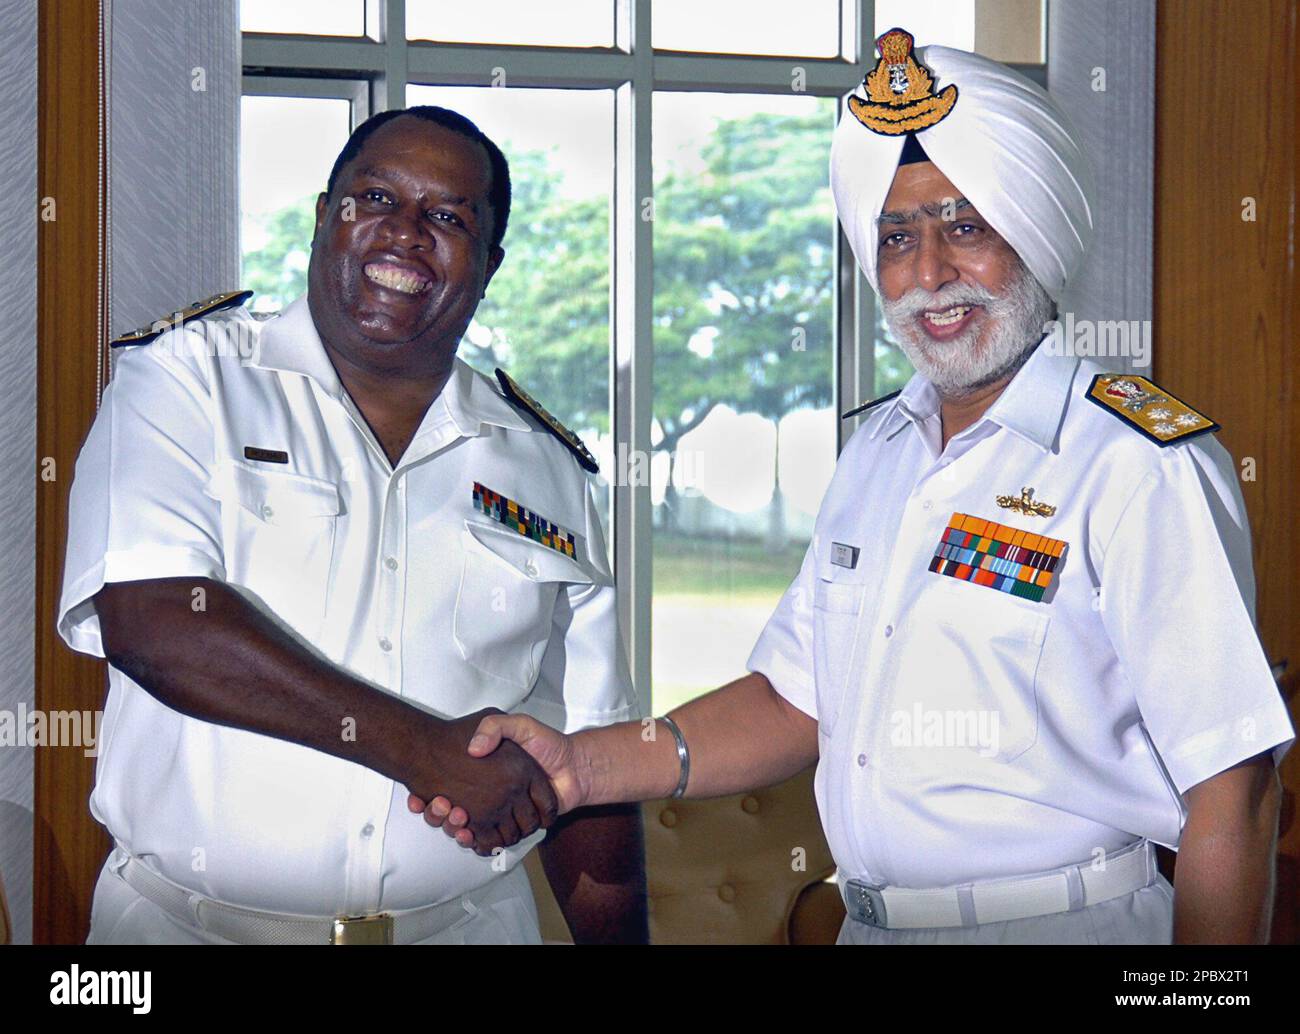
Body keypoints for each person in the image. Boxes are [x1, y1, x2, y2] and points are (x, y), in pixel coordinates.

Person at [415, 31, 1294, 945]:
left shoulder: (1136, 461)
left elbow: (1235, 789)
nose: (932, 275)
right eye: (897, 238)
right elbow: (795, 703)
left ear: (1031, 235)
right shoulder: (877, 453)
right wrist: (579, 770)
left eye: (967, 227)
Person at [57, 105, 647, 944]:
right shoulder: (189, 383)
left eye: (447, 217)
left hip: (465, 928)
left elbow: (588, 761)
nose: (405, 234)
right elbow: (154, 623)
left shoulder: (545, 467)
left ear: (489, 264)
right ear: (323, 219)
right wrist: (423, 750)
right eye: (374, 198)